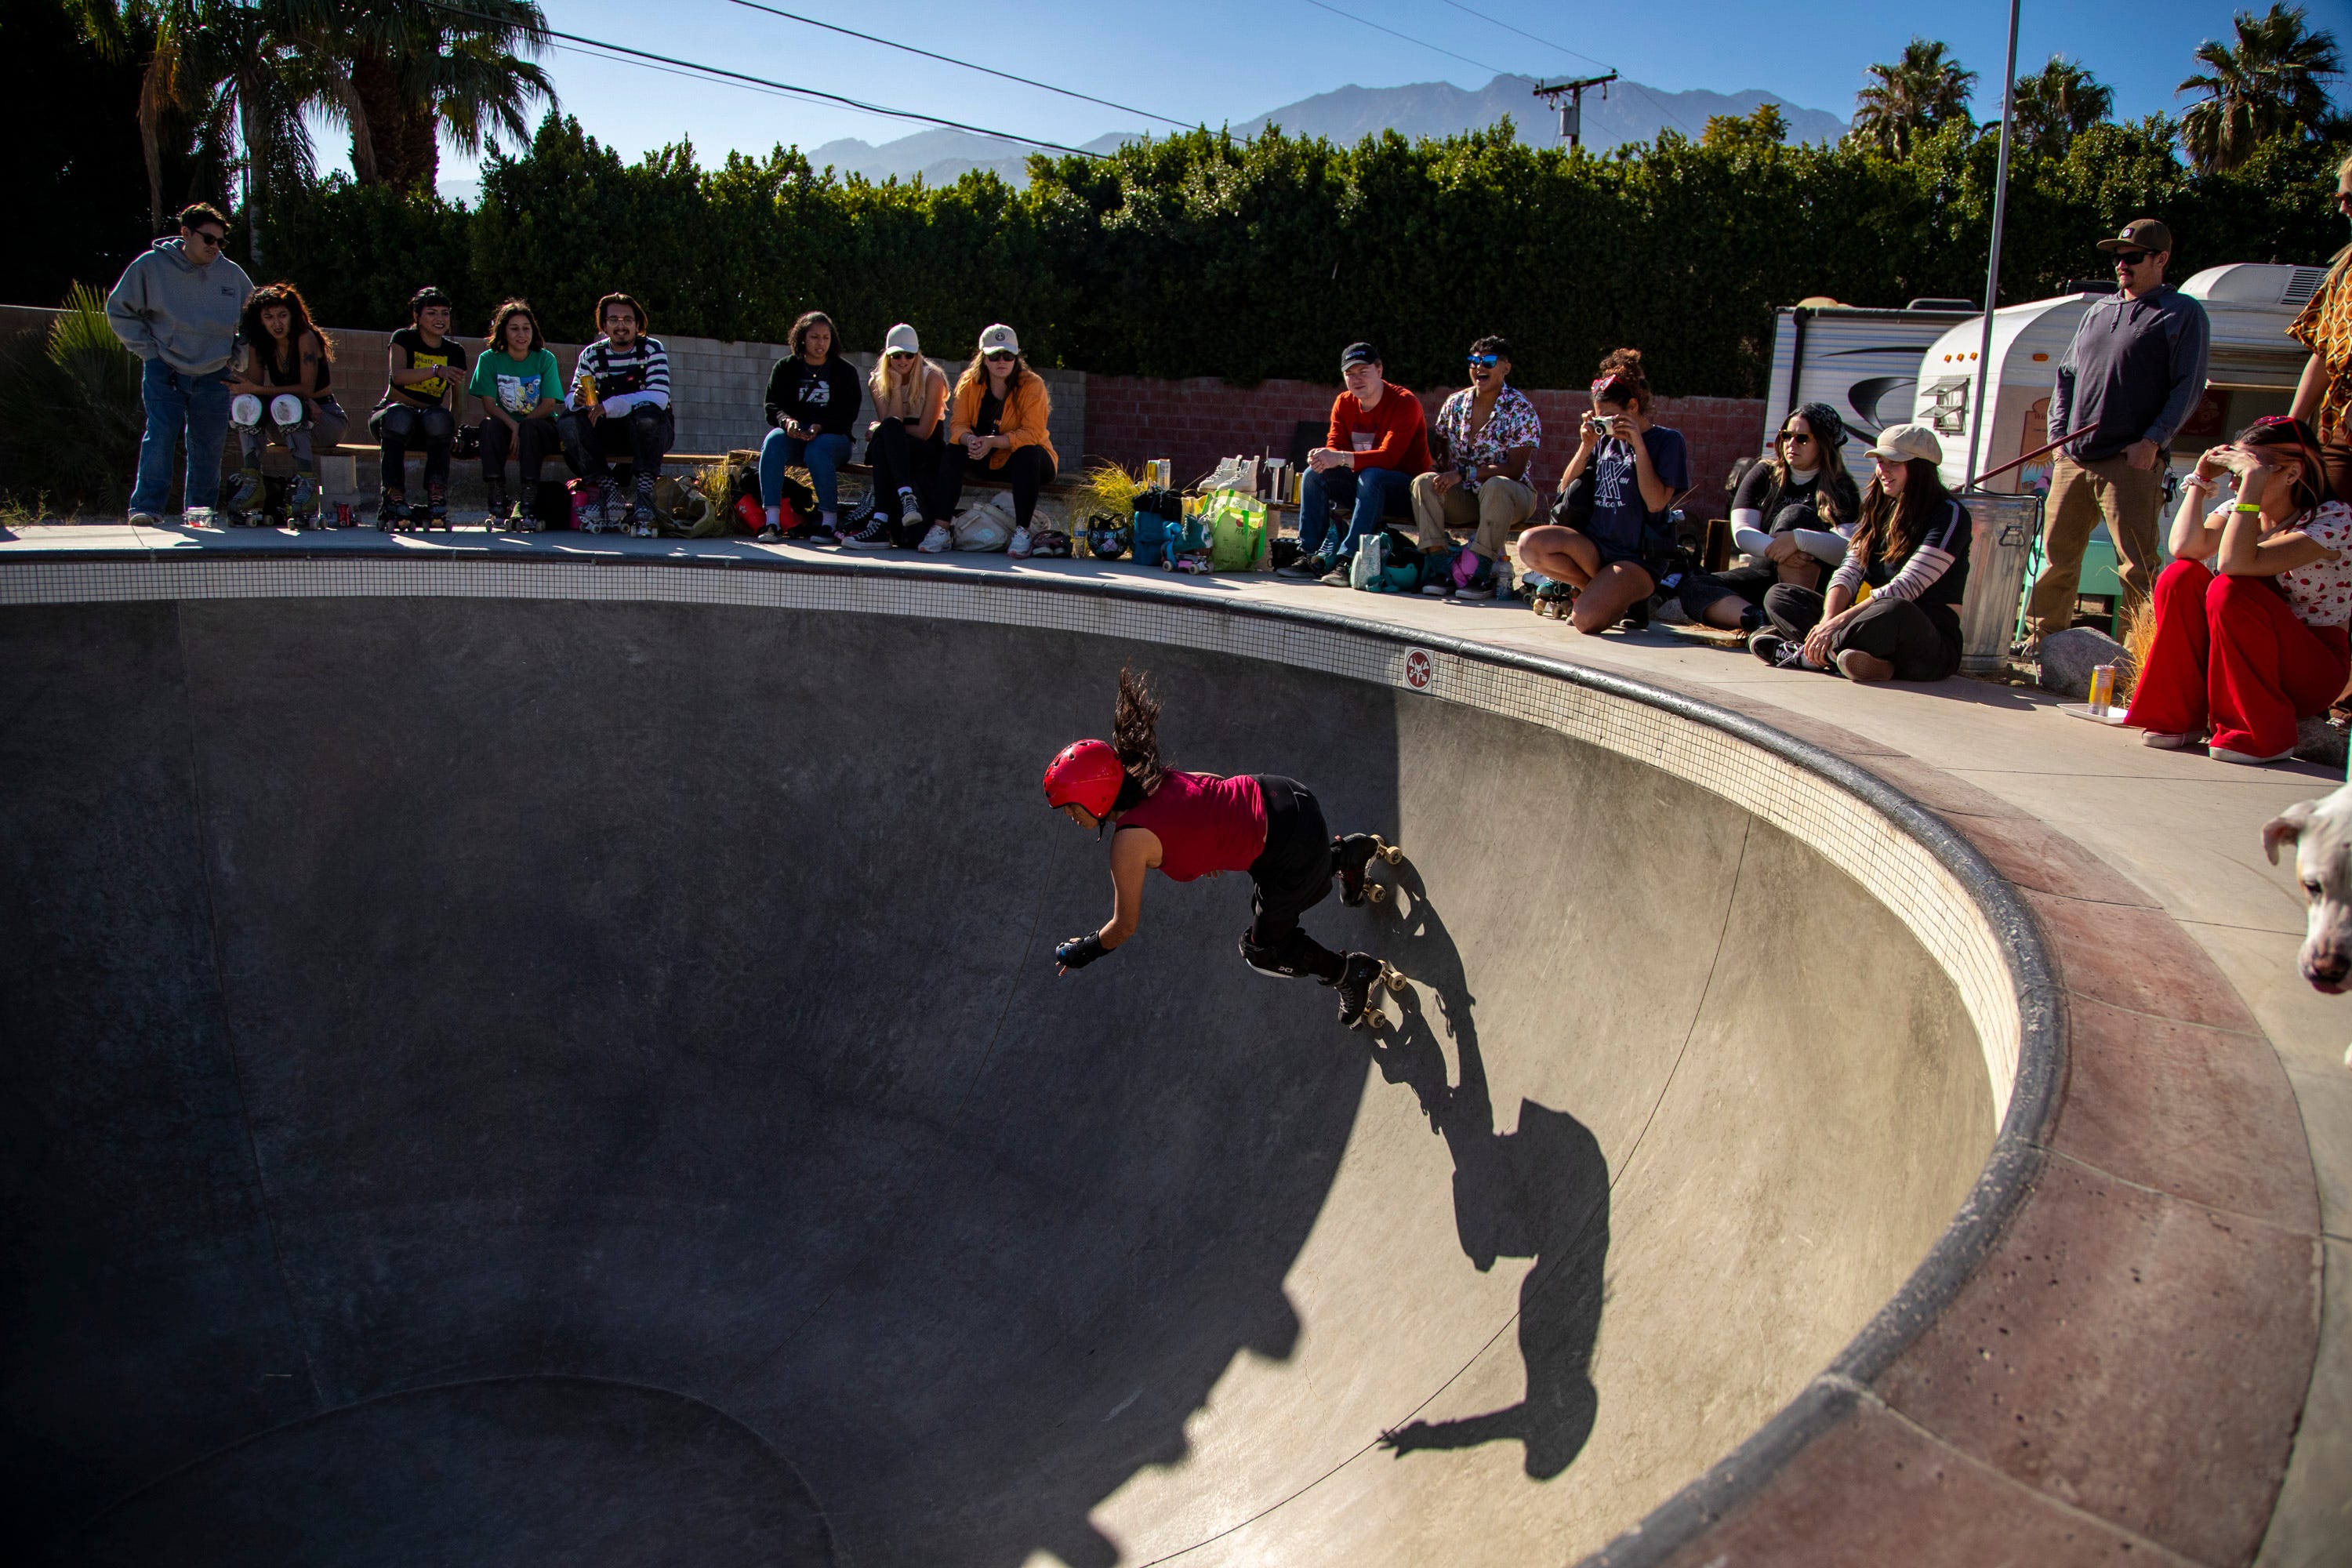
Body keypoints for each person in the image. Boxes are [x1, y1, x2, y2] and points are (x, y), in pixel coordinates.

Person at [1043, 667, 1394, 1029]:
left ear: (1094, 795)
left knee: (1263, 951)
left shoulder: (1128, 843)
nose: (1069, 815)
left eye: (1070, 806)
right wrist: (1209, 842)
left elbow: (1124, 925)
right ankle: (1349, 856)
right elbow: (1211, 783)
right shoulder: (1151, 779)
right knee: (1279, 888)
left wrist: (1084, 950)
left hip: (1289, 846)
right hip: (1286, 794)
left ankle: (1351, 973)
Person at [2024, 217, 2212, 642]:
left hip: (2131, 460)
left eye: (2133, 257)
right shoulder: (2099, 311)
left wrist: (2153, 441)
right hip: (2075, 458)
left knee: (2137, 567)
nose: (2121, 265)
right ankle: (2041, 641)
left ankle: (2137, 654)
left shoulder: (2182, 313)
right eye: (2117, 257)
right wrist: (2058, 439)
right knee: (2055, 559)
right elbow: (2066, 375)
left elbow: (2189, 386)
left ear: (2161, 259)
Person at [2124, 417, 2352, 764]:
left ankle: (2259, 734)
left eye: (2244, 471)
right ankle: (2178, 717)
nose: (2233, 482)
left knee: (2230, 588)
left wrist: (2252, 486)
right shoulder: (2243, 508)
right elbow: (2185, 547)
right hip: (2239, 655)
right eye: (2234, 470)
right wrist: (2200, 479)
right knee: (2180, 575)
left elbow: (2236, 563)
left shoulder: (2333, 519)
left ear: (2292, 473)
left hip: (2310, 668)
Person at [1748, 423, 1972, 683]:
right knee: (1780, 597)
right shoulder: (1879, 507)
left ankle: (1808, 656)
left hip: (1925, 641)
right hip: (1867, 626)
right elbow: (1849, 571)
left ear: (1921, 468)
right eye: (1880, 462)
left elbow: (1907, 586)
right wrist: (1827, 621)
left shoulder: (1950, 514)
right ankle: (1860, 661)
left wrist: (1835, 626)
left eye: (1894, 463)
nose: (1883, 470)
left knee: (1894, 609)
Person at [1515, 349, 1690, 632]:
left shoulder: (1667, 441)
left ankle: (1627, 596)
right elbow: (1564, 489)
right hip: (1595, 548)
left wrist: (1638, 445)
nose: (1606, 424)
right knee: (1529, 544)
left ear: (1633, 406)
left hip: (1638, 558)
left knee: (1585, 621)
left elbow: (1656, 503)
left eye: (1610, 417)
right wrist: (1586, 445)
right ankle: (1603, 591)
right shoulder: (1603, 441)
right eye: (1600, 419)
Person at [106, 202, 252, 526]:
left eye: (221, 241)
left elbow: (252, 321)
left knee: (209, 446)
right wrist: (149, 352)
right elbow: (119, 309)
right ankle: (147, 508)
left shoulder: (232, 275)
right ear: (185, 233)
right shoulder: (151, 266)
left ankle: (199, 511)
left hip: (215, 373)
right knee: (160, 436)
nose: (215, 247)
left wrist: (236, 358)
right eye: (208, 239)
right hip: (165, 369)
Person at [1679, 403, 1860, 633]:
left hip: (1812, 588)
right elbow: (1742, 533)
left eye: (1802, 438)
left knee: (1795, 514)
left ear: (1825, 444)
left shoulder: (1841, 486)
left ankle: (1791, 621)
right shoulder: (1763, 473)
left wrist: (1798, 540)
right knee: (1695, 586)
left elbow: (1848, 549)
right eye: (1786, 435)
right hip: (1765, 573)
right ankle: (1761, 622)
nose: (1791, 444)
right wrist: (1781, 549)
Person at [1279, 341, 1431, 584]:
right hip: (1364, 488)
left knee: (1372, 475)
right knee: (1313, 475)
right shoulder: (1344, 402)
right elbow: (1335, 446)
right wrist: (1321, 457)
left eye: (1363, 371)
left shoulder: (1405, 402)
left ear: (1379, 370)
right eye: (1350, 374)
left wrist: (1339, 458)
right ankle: (1311, 555)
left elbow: (1389, 457)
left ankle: (1348, 559)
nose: (1356, 379)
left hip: (1406, 492)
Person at [1410, 336, 1541, 600]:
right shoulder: (1455, 404)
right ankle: (1441, 570)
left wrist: (1464, 473)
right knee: (1424, 482)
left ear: (1506, 368)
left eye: (1489, 361)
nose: (1479, 367)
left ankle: (1481, 574)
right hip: (1468, 497)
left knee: (1497, 486)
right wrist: (1439, 467)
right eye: (1474, 361)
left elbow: (1514, 470)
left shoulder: (1520, 409)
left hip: (1513, 497)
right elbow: (1441, 447)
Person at [222, 282, 344, 528]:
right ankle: (252, 483)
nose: (276, 323)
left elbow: (306, 389)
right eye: (268, 317)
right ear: (260, 320)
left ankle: (307, 486)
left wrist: (260, 391)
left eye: (282, 315)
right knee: (246, 404)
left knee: (288, 403)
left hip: (325, 419)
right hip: (286, 419)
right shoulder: (260, 343)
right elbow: (253, 387)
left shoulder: (305, 337)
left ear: (293, 315)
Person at [931, 324, 1058, 555]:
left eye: (1008, 355)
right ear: (984, 358)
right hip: (985, 456)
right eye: (994, 355)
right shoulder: (969, 382)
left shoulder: (1032, 385)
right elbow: (958, 425)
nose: (1002, 361)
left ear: (1016, 358)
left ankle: (1022, 532)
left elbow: (1032, 433)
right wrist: (970, 440)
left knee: (1027, 452)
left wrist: (992, 442)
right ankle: (941, 528)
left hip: (1030, 461)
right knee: (953, 450)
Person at [557, 292, 673, 535]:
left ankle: (644, 494)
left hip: (648, 434)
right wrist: (577, 399)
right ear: (604, 325)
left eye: (627, 320)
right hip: (606, 433)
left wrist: (609, 406)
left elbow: (659, 397)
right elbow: (570, 398)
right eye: (614, 320)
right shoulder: (591, 355)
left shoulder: (652, 349)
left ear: (638, 324)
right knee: (568, 421)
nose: (621, 326)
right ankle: (608, 490)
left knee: (648, 416)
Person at [370, 285, 469, 531]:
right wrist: (436, 371)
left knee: (439, 418)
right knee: (400, 415)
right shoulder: (403, 338)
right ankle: (393, 495)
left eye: (445, 313)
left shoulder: (455, 351)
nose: (440, 319)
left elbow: (458, 400)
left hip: (427, 426)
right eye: (432, 313)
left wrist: (453, 432)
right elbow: (398, 377)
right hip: (392, 419)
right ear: (418, 316)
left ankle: (436, 495)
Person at [760, 309, 863, 543]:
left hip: (833, 438)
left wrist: (820, 426)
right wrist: (787, 422)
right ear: (802, 338)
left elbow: (848, 414)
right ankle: (772, 521)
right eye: (815, 337)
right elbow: (772, 406)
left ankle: (828, 522)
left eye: (826, 337)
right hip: (795, 436)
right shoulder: (785, 368)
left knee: (817, 449)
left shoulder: (845, 371)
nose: (821, 343)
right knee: (773, 441)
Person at [2287, 151, 2352, 507]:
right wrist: (2292, 427)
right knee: (2325, 520)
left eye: (2350, 198)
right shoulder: (2345, 269)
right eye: (2339, 197)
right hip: (2338, 432)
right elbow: (2322, 353)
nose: (2343, 208)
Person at [467, 298, 564, 530]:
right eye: (514, 329)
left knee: (530, 429)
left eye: (526, 328)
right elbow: (489, 404)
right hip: (506, 426)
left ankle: (529, 499)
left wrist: (520, 428)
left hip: (539, 428)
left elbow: (548, 404)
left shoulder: (545, 358)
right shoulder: (489, 359)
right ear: (504, 332)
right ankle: (497, 497)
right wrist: (513, 426)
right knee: (489, 426)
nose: (521, 335)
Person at [851, 321, 949, 550]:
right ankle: (906, 499)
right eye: (896, 355)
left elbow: (924, 432)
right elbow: (892, 424)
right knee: (883, 441)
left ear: (917, 355)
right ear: (887, 356)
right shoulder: (878, 381)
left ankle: (880, 521)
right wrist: (895, 387)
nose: (903, 360)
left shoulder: (932, 378)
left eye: (909, 355)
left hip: (927, 448)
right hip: (897, 449)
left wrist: (882, 429)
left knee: (883, 439)